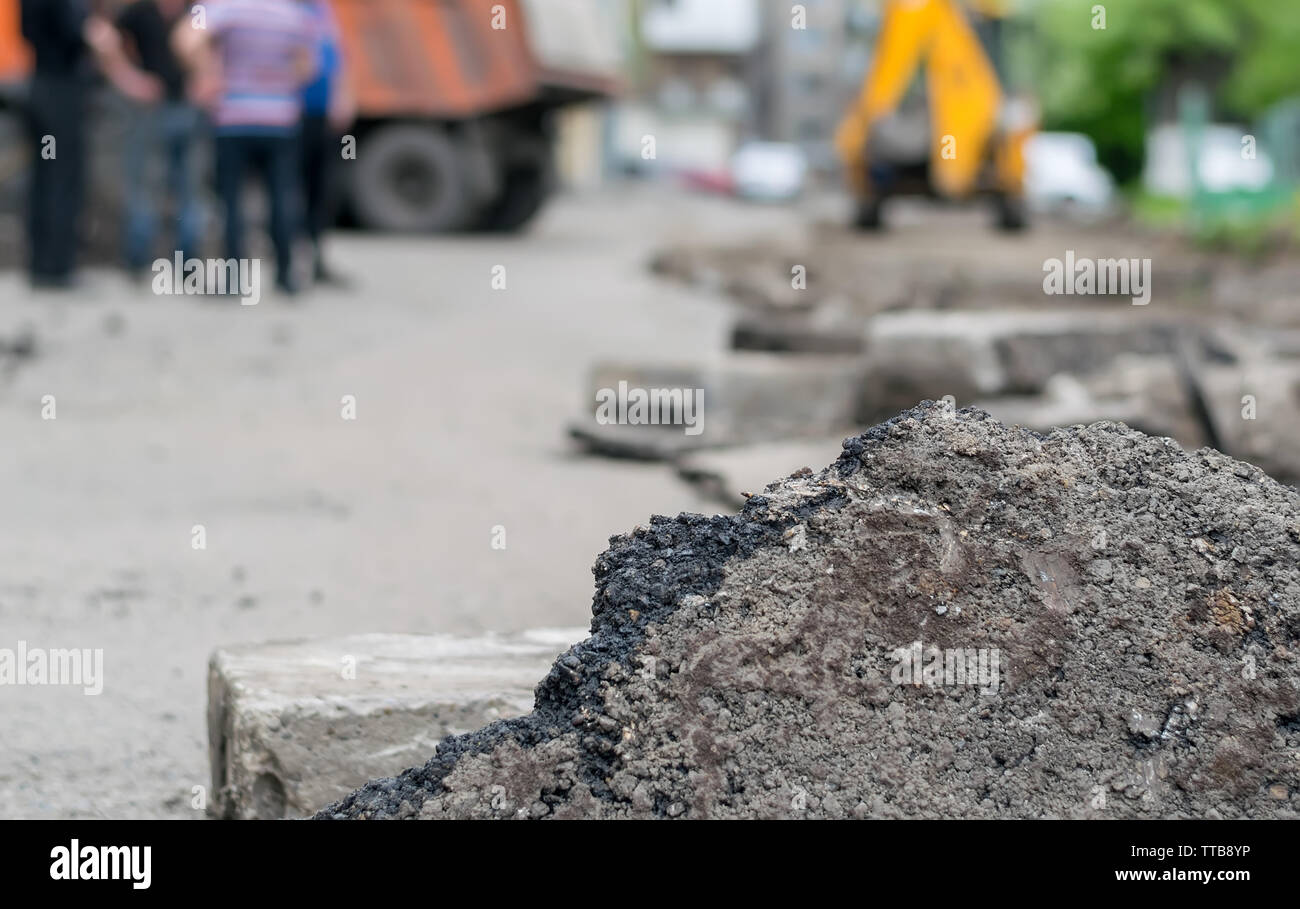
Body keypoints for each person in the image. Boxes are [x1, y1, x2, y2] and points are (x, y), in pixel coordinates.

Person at [173, 0, 318, 295]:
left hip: (233, 117)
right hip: (280, 118)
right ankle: (285, 276)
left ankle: (233, 280)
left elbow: (186, 39)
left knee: (231, 201)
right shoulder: (292, 14)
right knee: (281, 197)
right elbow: (308, 67)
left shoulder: (226, 8)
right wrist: (280, 82)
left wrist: (207, 74)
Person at [86, 0, 203, 276]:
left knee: (188, 185)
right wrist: (128, 79)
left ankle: (187, 263)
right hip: (149, 111)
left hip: (187, 108)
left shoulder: (196, 11)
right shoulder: (141, 12)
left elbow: (215, 45)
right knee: (143, 185)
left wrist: (207, 79)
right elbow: (103, 39)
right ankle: (138, 258)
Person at [19, 0, 91, 289]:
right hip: (59, 96)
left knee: (44, 177)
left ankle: (41, 264)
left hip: (39, 89)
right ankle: (57, 267)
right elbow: (74, 32)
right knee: (60, 178)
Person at [298, 0, 354, 285]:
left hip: (324, 116)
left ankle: (317, 257)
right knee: (291, 187)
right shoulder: (285, 9)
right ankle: (291, 258)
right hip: (294, 114)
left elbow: (339, 56)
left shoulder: (322, 9)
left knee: (322, 188)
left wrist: (342, 97)